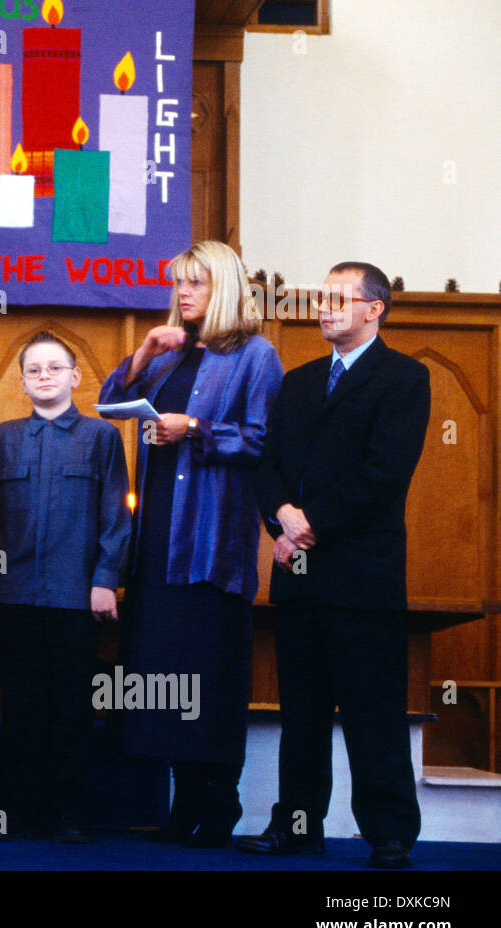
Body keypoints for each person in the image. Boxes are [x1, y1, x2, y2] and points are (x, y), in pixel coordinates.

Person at [238, 262, 430, 869]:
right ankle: (297, 826)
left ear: (374, 308)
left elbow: (383, 474)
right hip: (298, 577)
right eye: (319, 297)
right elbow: (266, 467)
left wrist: (304, 524)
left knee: (374, 711)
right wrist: (282, 520)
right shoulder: (297, 382)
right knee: (303, 714)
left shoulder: (405, 378)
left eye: (337, 298)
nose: (321, 307)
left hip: (362, 578)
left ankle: (389, 834)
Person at [98, 239, 283, 847]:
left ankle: (220, 804)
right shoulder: (171, 354)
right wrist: (147, 347)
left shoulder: (257, 355)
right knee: (165, 674)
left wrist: (194, 428)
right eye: (178, 283)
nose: (183, 293)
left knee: (210, 673)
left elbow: (261, 443)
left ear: (224, 287)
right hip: (159, 537)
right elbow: (108, 405)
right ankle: (183, 805)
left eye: (196, 283)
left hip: (211, 539)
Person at [0, 331, 129, 842]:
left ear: (75, 377)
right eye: (34, 370)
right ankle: (15, 813)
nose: (44, 376)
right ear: (22, 382)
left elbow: (117, 515)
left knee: (71, 708)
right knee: (21, 706)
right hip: (17, 594)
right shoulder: (2, 439)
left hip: (77, 598)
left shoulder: (101, 439)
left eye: (55, 368)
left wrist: (106, 580)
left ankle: (66, 814)